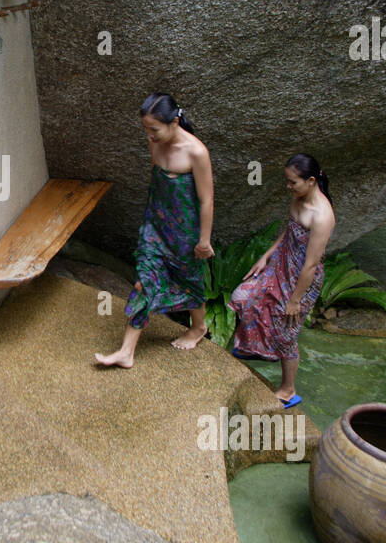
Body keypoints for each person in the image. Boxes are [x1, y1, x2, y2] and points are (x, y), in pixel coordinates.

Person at [96, 93, 215, 367]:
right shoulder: (156, 143)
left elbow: (206, 199)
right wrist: (151, 222)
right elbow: (156, 180)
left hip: (185, 233)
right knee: (144, 282)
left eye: (154, 129)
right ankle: (126, 351)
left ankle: (198, 328)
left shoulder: (197, 152)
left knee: (189, 280)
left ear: (174, 121)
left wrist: (204, 240)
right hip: (156, 227)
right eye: (145, 129)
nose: (149, 135)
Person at [228, 153, 334, 408]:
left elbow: (310, 264)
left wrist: (295, 301)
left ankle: (288, 389)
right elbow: (289, 231)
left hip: (301, 278)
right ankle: (254, 347)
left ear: (310, 180)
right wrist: (265, 257)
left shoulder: (323, 215)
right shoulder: (299, 198)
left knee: (286, 333)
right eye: (287, 181)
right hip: (280, 263)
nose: (288, 187)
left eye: (292, 182)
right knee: (242, 297)